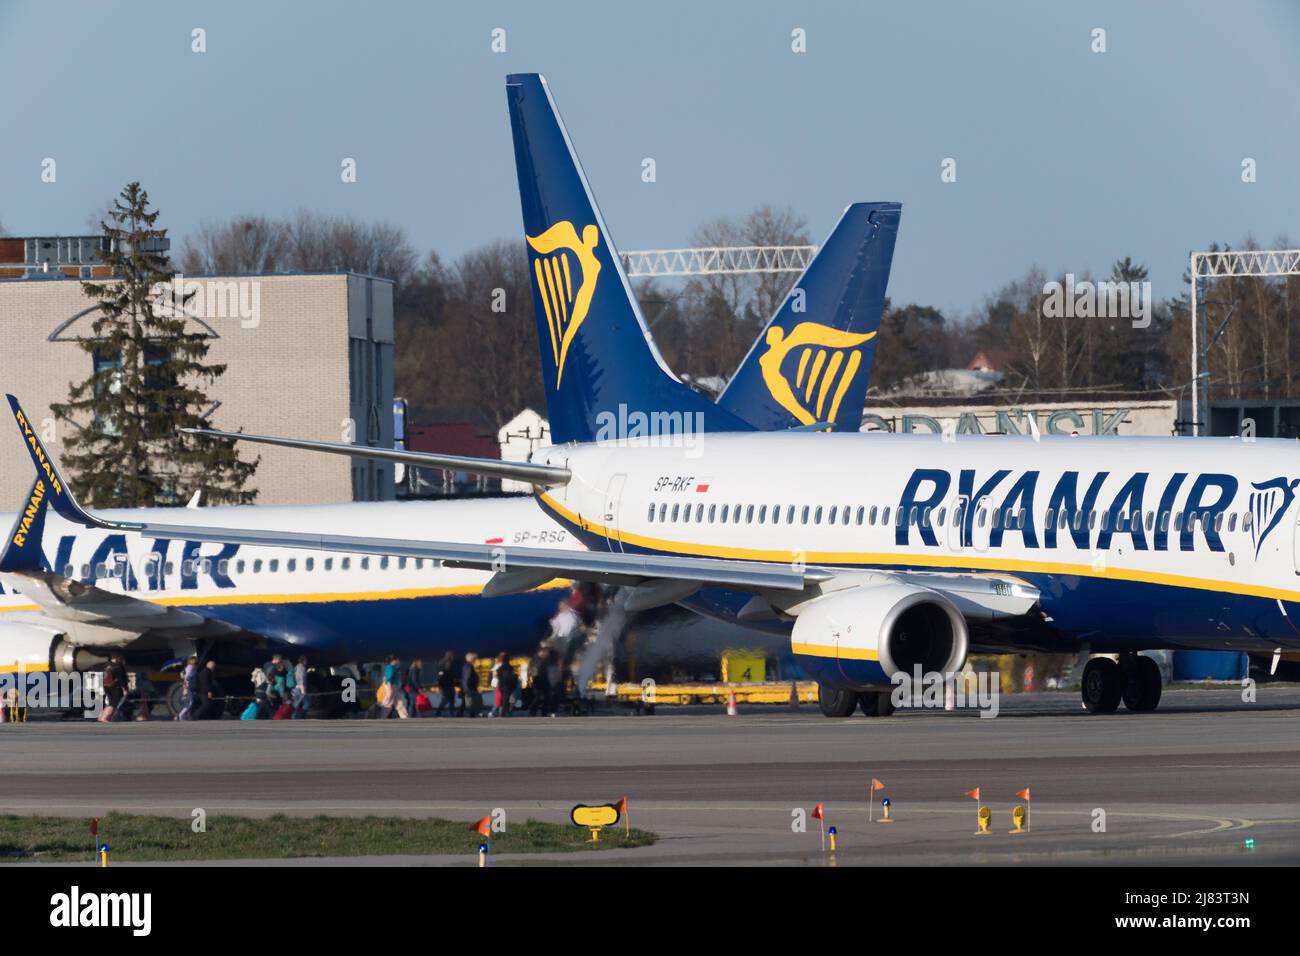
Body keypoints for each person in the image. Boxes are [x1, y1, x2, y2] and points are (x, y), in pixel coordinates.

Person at [98, 655, 128, 723]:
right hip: (115, 687)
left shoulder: (106, 666)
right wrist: (124, 689)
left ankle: (102, 716)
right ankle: (104, 717)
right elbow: (121, 679)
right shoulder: (118, 667)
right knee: (113, 704)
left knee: (110, 702)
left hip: (106, 686)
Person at [491, 652, 518, 717]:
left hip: (499, 684)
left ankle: (500, 712)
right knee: (502, 699)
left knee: (501, 699)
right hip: (502, 684)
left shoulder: (498, 666)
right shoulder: (508, 666)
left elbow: (494, 675)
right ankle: (498, 712)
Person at [434, 651, 457, 716]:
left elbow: (440, 674)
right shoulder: (448, 663)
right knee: (447, 699)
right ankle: (442, 712)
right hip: (448, 684)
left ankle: (447, 712)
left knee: (449, 699)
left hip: (446, 684)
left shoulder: (442, 662)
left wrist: (440, 684)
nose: (453, 657)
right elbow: (445, 673)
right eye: (452, 655)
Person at [458, 652, 481, 717]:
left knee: (465, 702)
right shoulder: (469, 666)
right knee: (471, 701)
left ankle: (460, 713)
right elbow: (467, 677)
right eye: (475, 659)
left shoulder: (466, 666)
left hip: (466, 687)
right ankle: (471, 713)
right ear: (472, 659)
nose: (476, 660)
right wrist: (469, 687)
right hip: (469, 688)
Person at [175, 655, 197, 720]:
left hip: (188, 686)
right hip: (188, 686)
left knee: (189, 701)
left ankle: (185, 715)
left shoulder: (188, 667)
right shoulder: (190, 667)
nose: (196, 663)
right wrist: (187, 683)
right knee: (189, 702)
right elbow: (187, 676)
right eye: (195, 662)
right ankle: (180, 715)